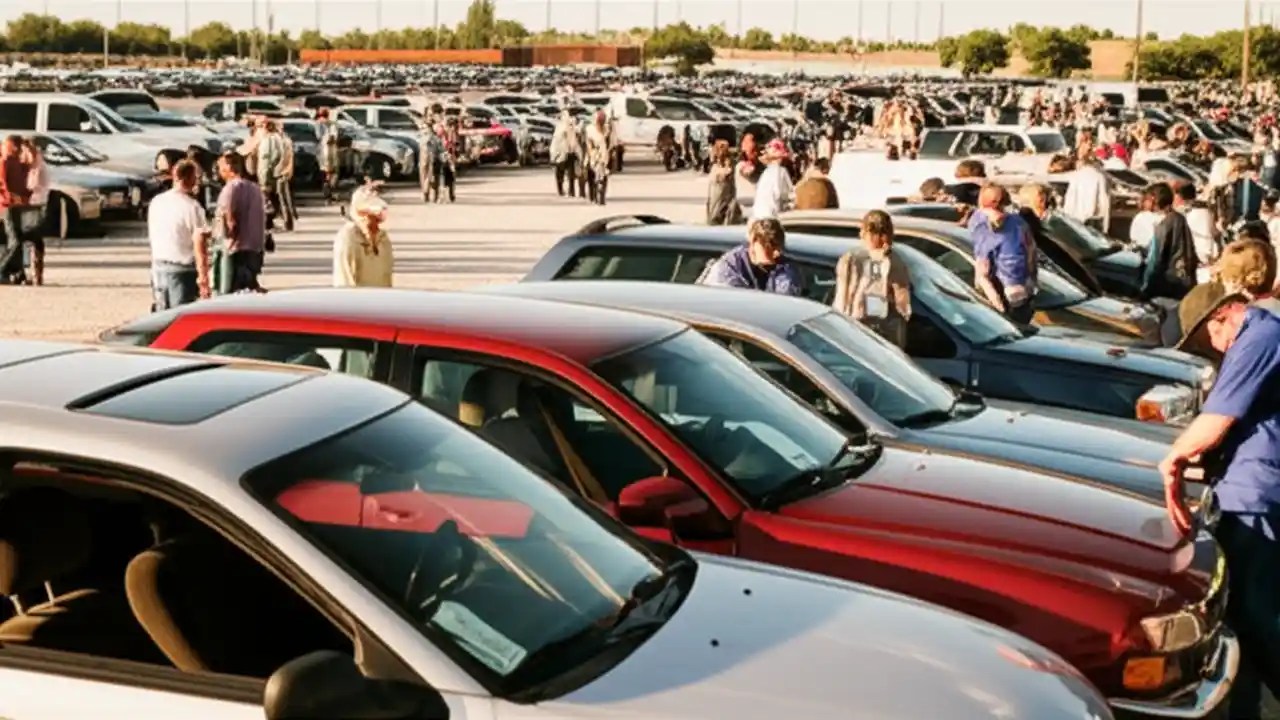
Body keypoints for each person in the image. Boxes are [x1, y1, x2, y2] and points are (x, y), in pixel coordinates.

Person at [1161, 276, 1280, 719]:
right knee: (1240, 615)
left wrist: (1172, 460)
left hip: (1259, 494)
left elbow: (1216, 421)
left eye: (1209, 338)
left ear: (1223, 316)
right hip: (1250, 487)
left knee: (1254, 611)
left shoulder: (1258, 338)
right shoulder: (1260, 334)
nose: (1214, 348)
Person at [831, 210, 911, 348]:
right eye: (875, 234)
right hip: (860, 330)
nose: (879, 239)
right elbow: (842, 298)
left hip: (874, 333)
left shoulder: (893, 262)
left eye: (882, 234)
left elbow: (902, 305)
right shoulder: (852, 260)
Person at [147, 159, 212, 310]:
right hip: (182, 270)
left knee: (161, 315)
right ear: (190, 178)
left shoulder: (157, 202)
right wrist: (203, 276)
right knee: (181, 316)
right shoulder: (192, 207)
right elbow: (199, 241)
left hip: (159, 266)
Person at [970, 184, 1037, 324]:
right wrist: (1031, 282)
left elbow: (982, 270)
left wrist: (997, 305)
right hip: (1020, 288)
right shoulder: (1018, 222)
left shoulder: (980, 223)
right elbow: (1031, 254)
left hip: (1000, 291)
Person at [696, 217, 804, 295]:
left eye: (778, 247)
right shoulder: (731, 266)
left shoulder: (786, 268)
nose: (776, 253)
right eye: (768, 246)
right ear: (753, 241)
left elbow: (785, 300)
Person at [214, 151, 266, 294]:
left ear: (229, 168)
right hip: (255, 248)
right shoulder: (255, 188)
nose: (219, 171)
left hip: (235, 250)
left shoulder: (230, 188)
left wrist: (225, 240)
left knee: (228, 293)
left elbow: (230, 219)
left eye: (220, 167)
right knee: (248, 291)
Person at [333, 190, 393, 288]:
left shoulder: (383, 240)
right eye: (369, 215)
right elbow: (345, 283)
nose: (375, 221)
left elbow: (387, 280)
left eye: (378, 217)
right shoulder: (348, 240)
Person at [1174, 182, 1219, 283]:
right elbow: (1215, 232)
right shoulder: (1207, 211)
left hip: (1197, 259)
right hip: (1210, 256)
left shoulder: (1187, 214)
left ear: (1180, 197)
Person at [0, 135, 31, 279]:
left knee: (18, 239)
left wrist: (27, 149)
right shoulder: (4, 162)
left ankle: (17, 272)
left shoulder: (19, 163)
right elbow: (3, 184)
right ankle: (2, 268)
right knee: (15, 240)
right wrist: (12, 197)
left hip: (20, 205)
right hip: (8, 205)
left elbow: (27, 176)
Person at [1061, 146, 1111, 234]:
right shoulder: (1099, 177)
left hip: (1074, 224)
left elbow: (1069, 202)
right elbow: (1104, 204)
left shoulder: (1075, 176)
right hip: (1091, 225)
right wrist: (1105, 228)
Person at [19, 137, 48, 285]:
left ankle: (35, 273)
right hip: (33, 203)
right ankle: (33, 272)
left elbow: (35, 186)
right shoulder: (33, 165)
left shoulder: (37, 165)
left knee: (32, 239)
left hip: (36, 204)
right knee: (32, 240)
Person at [752, 139, 795, 219]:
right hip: (772, 215)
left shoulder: (765, 173)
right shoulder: (781, 171)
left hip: (757, 215)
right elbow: (785, 194)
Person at [706, 139, 743, 225]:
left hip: (722, 193)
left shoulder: (718, 166)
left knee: (717, 207)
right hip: (722, 193)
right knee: (719, 207)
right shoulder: (725, 166)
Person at [550, 110, 582, 198]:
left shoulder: (572, 127)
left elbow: (576, 138)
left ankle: (571, 190)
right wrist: (554, 154)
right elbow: (555, 141)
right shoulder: (559, 128)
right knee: (560, 172)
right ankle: (560, 190)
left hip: (571, 152)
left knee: (572, 173)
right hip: (561, 153)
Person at [584, 110, 611, 205]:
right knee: (591, 176)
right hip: (593, 154)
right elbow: (588, 143)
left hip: (604, 155)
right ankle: (593, 195)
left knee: (603, 176)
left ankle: (601, 197)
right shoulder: (590, 129)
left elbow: (610, 143)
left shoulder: (607, 129)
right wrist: (591, 152)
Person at [316, 109, 340, 204]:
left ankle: (328, 196)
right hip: (328, 153)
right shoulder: (330, 125)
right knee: (330, 174)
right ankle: (328, 196)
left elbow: (319, 136)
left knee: (327, 175)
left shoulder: (324, 124)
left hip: (325, 152)